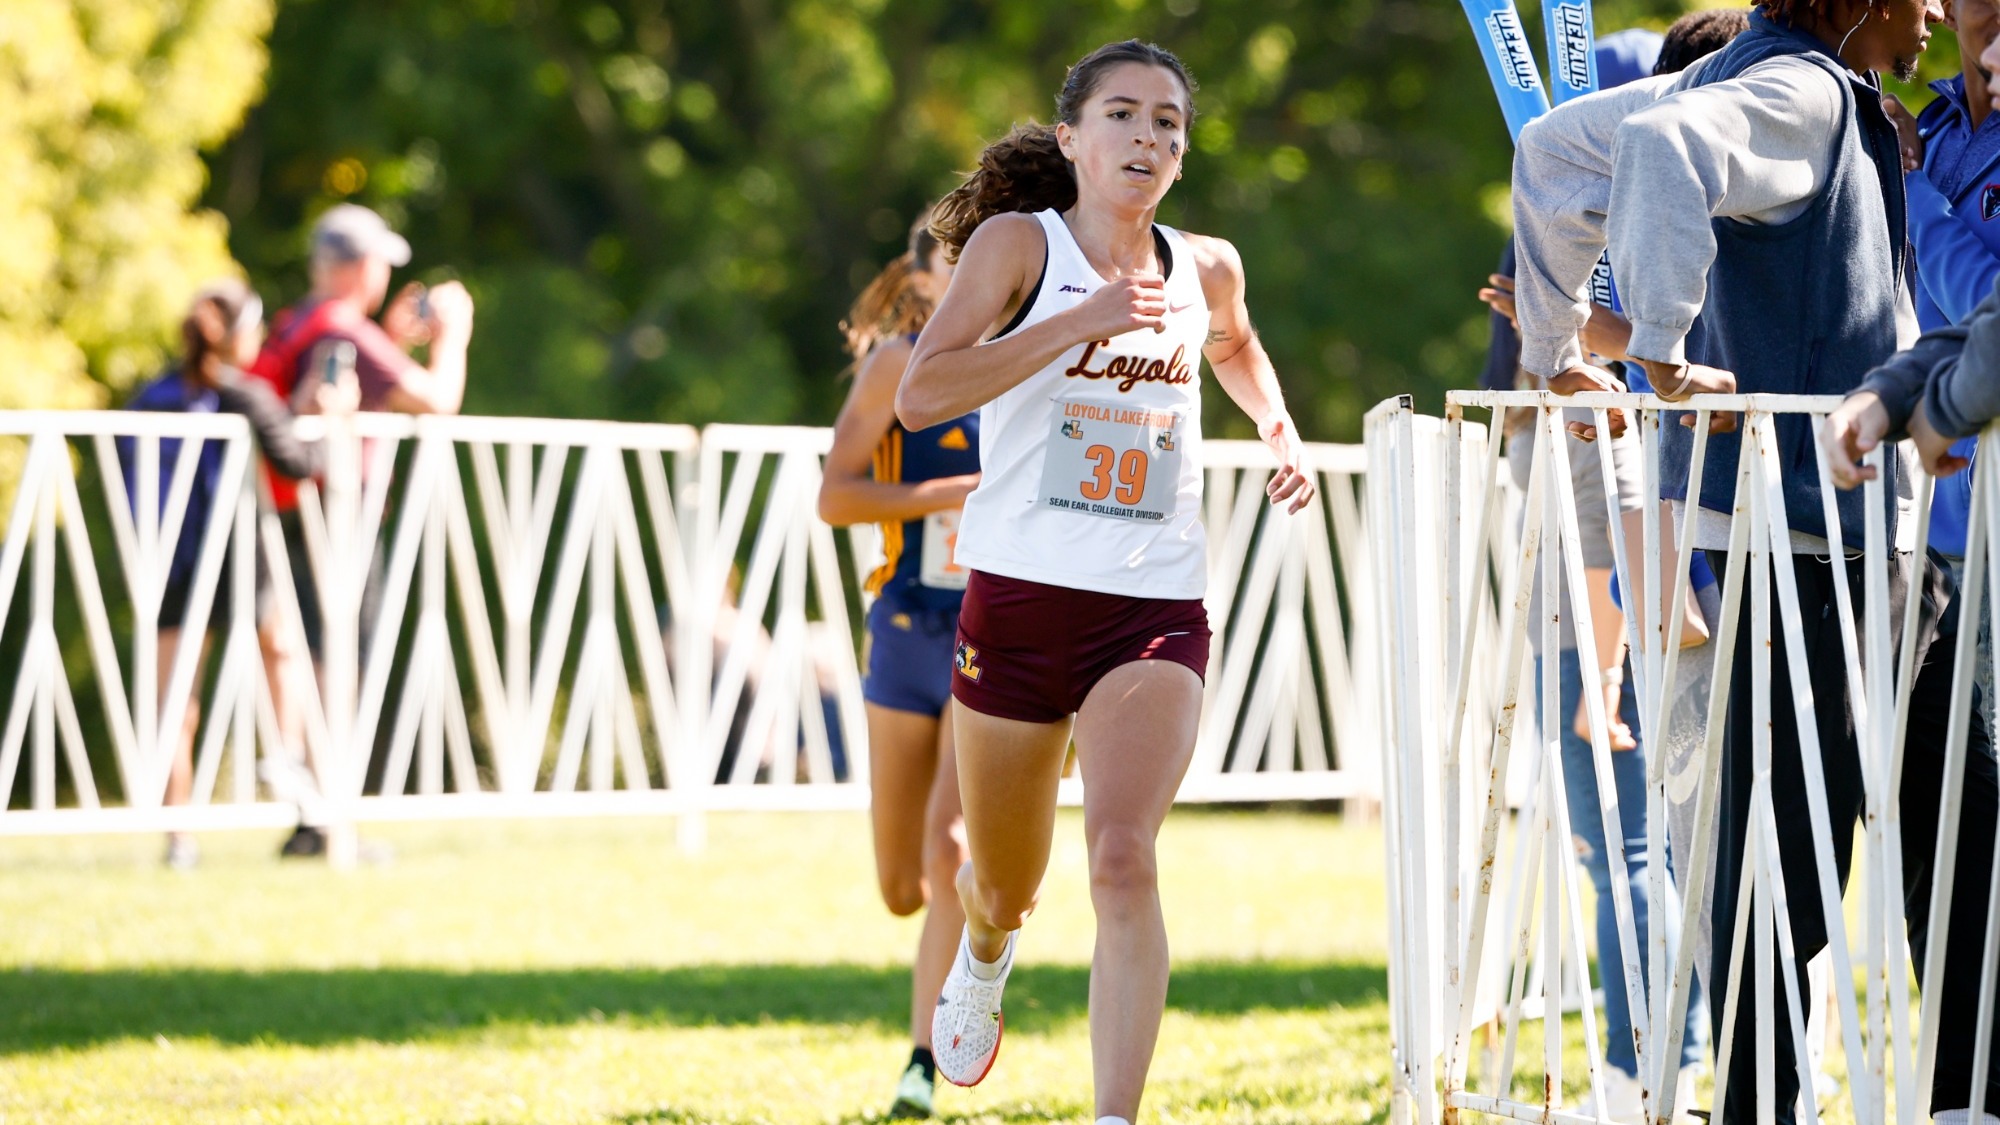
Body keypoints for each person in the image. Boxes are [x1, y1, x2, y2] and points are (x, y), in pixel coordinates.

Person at [1513, 0, 2000, 1119]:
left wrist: (1550, 354)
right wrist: (1659, 349)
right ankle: (1760, 1103)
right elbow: (1656, 150)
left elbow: (1549, 152)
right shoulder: (1800, 90)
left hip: (1850, 537)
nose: (1934, 12)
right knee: (1784, 864)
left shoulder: (1782, 83)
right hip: (1808, 540)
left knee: (1955, 819)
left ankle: (1954, 1097)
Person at [894, 40, 1314, 1125]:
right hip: (1020, 601)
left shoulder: (1205, 264)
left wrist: (1275, 427)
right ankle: (984, 956)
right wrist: (1074, 323)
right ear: (1073, 138)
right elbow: (921, 394)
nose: (1147, 136)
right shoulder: (1016, 247)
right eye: (1122, 115)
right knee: (1004, 886)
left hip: (1151, 607)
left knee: (1122, 857)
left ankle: (1113, 1116)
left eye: (1167, 121)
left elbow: (1234, 344)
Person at [245, 203, 474, 857]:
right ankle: (327, 817)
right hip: (338, 513)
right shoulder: (342, 326)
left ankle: (313, 815)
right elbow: (437, 399)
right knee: (338, 662)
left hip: (291, 508)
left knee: (318, 653)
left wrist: (393, 340)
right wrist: (452, 335)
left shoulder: (295, 323)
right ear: (358, 267)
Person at [816, 212, 980, 1120]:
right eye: (962, 251)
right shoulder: (896, 364)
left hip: (994, 634)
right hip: (907, 624)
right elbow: (834, 495)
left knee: (952, 841)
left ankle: (927, 1056)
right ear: (929, 271)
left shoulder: (1043, 357)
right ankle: (967, 935)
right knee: (901, 884)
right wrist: (951, 494)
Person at [123, 279, 357, 869]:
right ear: (242, 334)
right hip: (237, 557)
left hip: (169, 557)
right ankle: (288, 765)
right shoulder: (245, 394)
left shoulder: (154, 395)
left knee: (178, 700)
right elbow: (302, 463)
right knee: (283, 656)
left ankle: (178, 837)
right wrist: (331, 420)